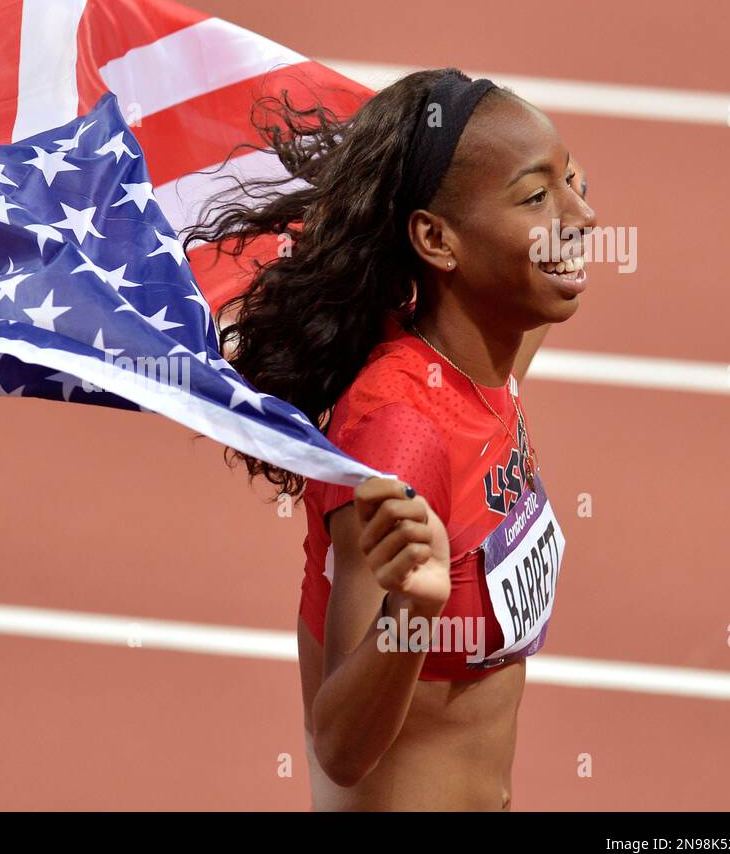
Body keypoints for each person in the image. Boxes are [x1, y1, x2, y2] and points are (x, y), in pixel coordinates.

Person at [188, 68, 596, 810]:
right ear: (437, 240)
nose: (582, 217)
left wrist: (546, 205)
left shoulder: (484, 357)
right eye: (538, 197)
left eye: (577, 182)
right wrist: (411, 612)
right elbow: (340, 749)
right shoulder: (401, 439)